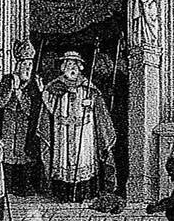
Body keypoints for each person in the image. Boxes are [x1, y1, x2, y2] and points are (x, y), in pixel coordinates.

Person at [36, 50, 117, 202]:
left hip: (84, 130)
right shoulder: (55, 86)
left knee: (83, 159)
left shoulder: (87, 86)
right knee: (63, 159)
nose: (71, 67)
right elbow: (50, 108)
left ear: (80, 66)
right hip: (62, 131)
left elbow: (98, 104)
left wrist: (91, 103)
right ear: (63, 67)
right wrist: (44, 93)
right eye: (68, 64)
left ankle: (84, 193)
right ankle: (64, 194)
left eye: (74, 64)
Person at [0, 39, 42, 194]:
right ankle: (6, 185)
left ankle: (23, 186)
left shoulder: (34, 82)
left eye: (30, 65)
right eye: (25, 64)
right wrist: (11, 90)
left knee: (23, 151)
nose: (27, 68)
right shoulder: (8, 79)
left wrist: (39, 93)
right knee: (8, 150)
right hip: (9, 119)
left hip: (25, 121)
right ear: (18, 65)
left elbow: (37, 106)